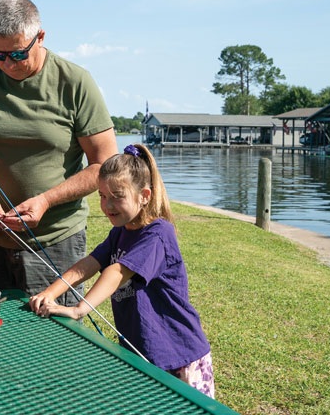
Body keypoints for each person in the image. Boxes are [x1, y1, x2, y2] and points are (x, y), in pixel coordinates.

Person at [0, 0, 117, 306]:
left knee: (52, 344)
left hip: (56, 240)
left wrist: (45, 201)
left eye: (17, 53)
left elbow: (104, 165)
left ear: (40, 37)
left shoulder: (76, 83)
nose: (8, 64)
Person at [29, 144, 215, 398]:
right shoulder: (119, 233)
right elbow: (89, 264)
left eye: (117, 195)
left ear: (144, 195)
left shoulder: (159, 234)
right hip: (140, 352)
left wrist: (78, 310)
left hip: (178, 356)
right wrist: (48, 294)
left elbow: (117, 272)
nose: (108, 205)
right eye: (103, 196)